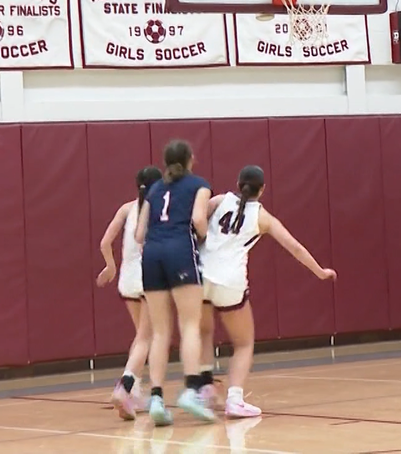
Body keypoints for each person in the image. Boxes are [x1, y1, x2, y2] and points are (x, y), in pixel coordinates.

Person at [198, 165, 337, 418]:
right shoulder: (263, 217)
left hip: (200, 273)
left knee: (204, 333)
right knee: (243, 343)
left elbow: (194, 224)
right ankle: (235, 399)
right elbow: (294, 247)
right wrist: (320, 271)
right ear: (262, 190)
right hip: (230, 280)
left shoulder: (218, 201)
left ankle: (204, 388)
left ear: (238, 183)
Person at [136, 139, 216, 425]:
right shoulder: (200, 185)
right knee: (190, 324)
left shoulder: (155, 188)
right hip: (180, 251)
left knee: (159, 332)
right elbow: (198, 219)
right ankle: (192, 390)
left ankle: (156, 396)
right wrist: (205, 238)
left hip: (152, 254)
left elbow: (138, 234)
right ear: (191, 158)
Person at [96, 165, 162, 420]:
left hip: (126, 280)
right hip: (148, 279)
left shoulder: (126, 208)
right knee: (148, 337)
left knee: (141, 337)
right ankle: (124, 387)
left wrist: (110, 267)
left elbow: (104, 242)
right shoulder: (157, 210)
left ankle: (132, 392)